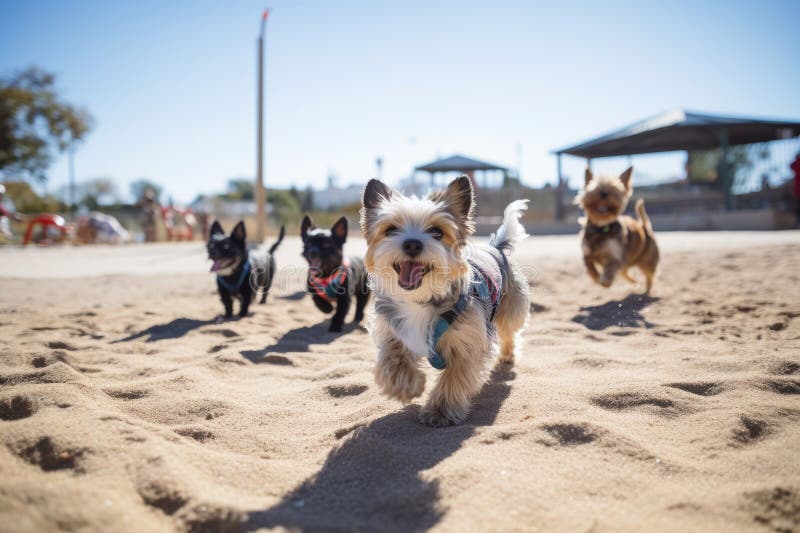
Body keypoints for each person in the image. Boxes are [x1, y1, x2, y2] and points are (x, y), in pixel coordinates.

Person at [792, 152, 800, 227]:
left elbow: (791, 166)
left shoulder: (796, 163)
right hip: (798, 191)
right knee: (797, 208)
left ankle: (798, 222)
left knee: (798, 208)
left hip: (797, 191)